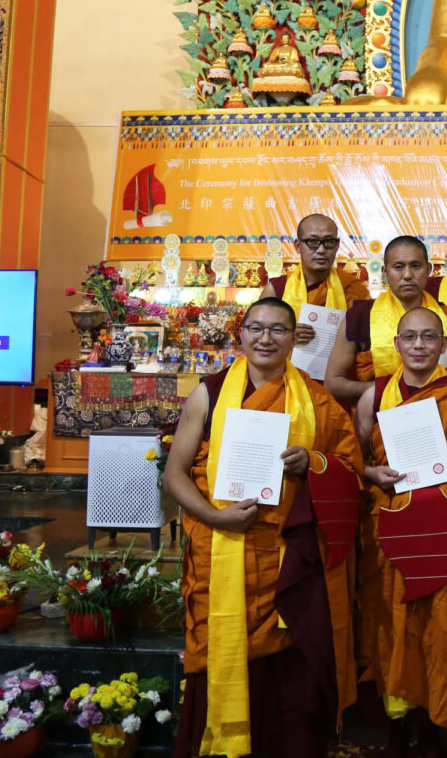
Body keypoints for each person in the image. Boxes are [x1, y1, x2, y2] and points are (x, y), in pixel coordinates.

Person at [164, 298, 364, 758]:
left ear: (295, 339)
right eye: (256, 328)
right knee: (221, 651)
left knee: (287, 667)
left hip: (288, 560)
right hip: (221, 547)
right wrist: (214, 516)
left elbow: (350, 470)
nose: (266, 339)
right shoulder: (210, 394)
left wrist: (312, 462)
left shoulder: (316, 400)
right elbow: (174, 473)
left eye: (278, 330)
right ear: (242, 335)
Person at [354, 307, 447, 757]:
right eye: (410, 337)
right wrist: (373, 475)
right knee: (392, 626)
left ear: (443, 345)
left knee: (445, 627)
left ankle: (438, 725)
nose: (418, 346)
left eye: (428, 338)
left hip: (445, 529)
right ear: (396, 344)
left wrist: (436, 500)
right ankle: (398, 724)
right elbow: (358, 460)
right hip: (391, 526)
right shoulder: (374, 395)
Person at [326, 235, 447, 405]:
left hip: (440, 416)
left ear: (428, 269)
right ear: (385, 272)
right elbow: (333, 382)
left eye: (416, 266)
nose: (408, 275)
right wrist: (388, 390)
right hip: (376, 416)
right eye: (398, 267)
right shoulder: (360, 316)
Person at [260, 214, 372, 342]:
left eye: (329, 241)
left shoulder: (354, 289)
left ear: (337, 246)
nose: (321, 250)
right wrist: (286, 334)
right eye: (313, 242)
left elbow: (367, 342)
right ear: (298, 246)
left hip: (342, 361)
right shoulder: (276, 290)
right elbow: (259, 337)